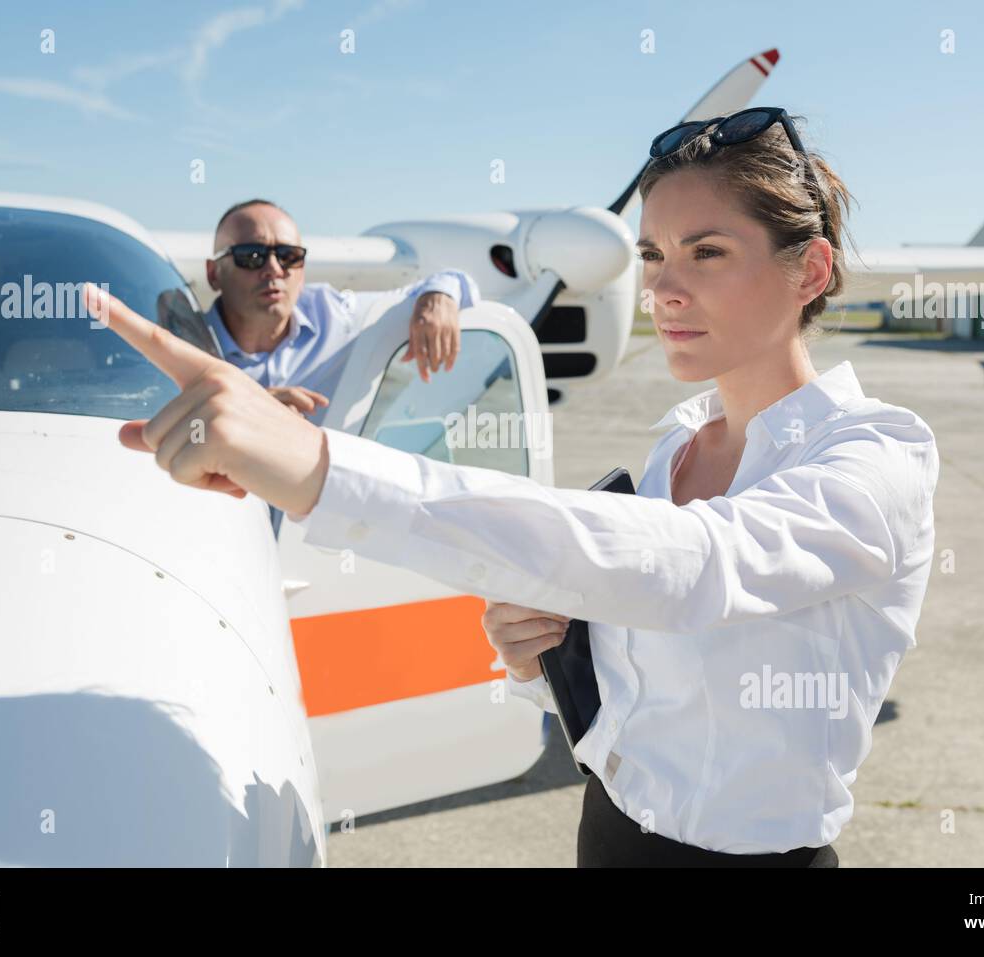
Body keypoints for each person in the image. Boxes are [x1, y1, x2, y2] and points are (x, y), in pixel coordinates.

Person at [84, 107, 939, 868]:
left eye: (706, 252)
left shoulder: (878, 457)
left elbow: (695, 567)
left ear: (812, 271)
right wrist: (539, 651)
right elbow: (634, 631)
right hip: (605, 833)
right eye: (652, 254)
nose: (663, 288)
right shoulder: (675, 445)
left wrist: (317, 467)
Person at [203, 198, 478, 423]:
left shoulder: (336, 316)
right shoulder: (185, 347)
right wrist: (245, 409)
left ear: (302, 269)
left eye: (289, 256)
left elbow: (454, 280)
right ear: (213, 274)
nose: (274, 269)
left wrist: (437, 297)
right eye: (251, 256)